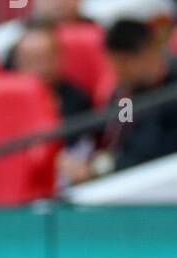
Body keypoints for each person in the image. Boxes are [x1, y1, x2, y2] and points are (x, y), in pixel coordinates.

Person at [63, 19, 177, 181]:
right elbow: (121, 138)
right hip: (121, 179)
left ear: (149, 52)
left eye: (125, 63)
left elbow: (152, 150)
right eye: (115, 64)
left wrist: (102, 167)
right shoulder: (126, 95)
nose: (119, 72)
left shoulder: (170, 92)